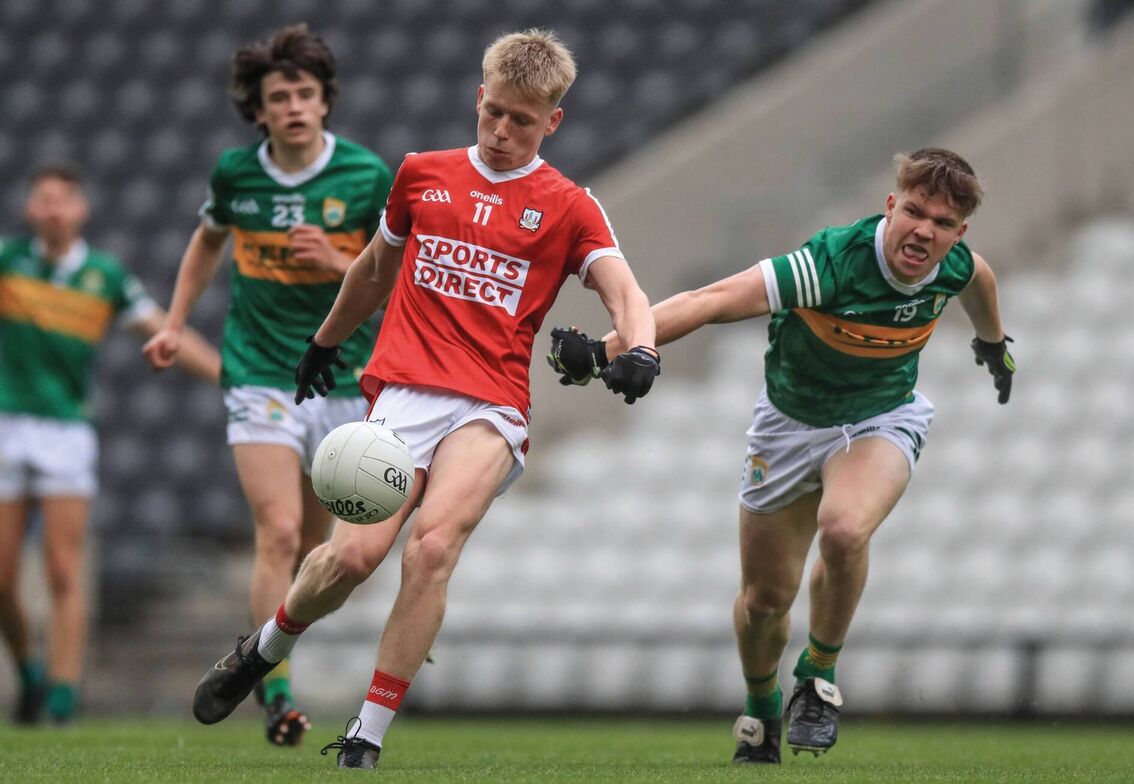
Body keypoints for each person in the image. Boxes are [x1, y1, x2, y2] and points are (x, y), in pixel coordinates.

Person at [188, 29, 660, 769]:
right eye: (494, 114)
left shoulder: (569, 207)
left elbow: (625, 291)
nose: (503, 133)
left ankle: (365, 738)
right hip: (402, 392)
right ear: (479, 99)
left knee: (432, 549)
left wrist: (641, 349)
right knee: (350, 561)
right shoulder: (421, 175)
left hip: (490, 406)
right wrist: (325, 342)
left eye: (523, 121)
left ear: (553, 122)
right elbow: (375, 270)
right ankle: (267, 645)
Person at [547, 148, 1014, 763]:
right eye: (916, 212)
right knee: (764, 603)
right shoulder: (829, 265)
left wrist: (993, 344)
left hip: (881, 417)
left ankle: (818, 681)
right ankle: (762, 707)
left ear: (959, 232)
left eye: (944, 223)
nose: (925, 230)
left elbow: (979, 280)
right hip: (789, 428)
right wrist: (613, 351)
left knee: (844, 530)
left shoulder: (953, 265)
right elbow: (711, 298)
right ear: (891, 205)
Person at [142, 24, 392, 746]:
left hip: (341, 377)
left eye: (305, 94)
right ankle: (274, 693)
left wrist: (336, 258)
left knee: (322, 552)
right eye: (279, 96)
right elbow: (207, 239)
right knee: (278, 531)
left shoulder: (366, 176)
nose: (292, 106)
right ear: (258, 110)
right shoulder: (235, 174)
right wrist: (174, 320)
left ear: (325, 103)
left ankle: (274, 648)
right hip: (257, 372)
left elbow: (391, 273)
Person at [0, 164, 220, 724]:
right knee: (2, 576)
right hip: (6, 424)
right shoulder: (8, 263)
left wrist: (226, 374)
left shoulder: (104, 275)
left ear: (81, 210)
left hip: (66, 431)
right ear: (31, 210)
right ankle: (27, 664)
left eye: (63, 199)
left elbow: (161, 330)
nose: (53, 209)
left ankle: (64, 693)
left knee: (62, 569)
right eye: (43, 199)